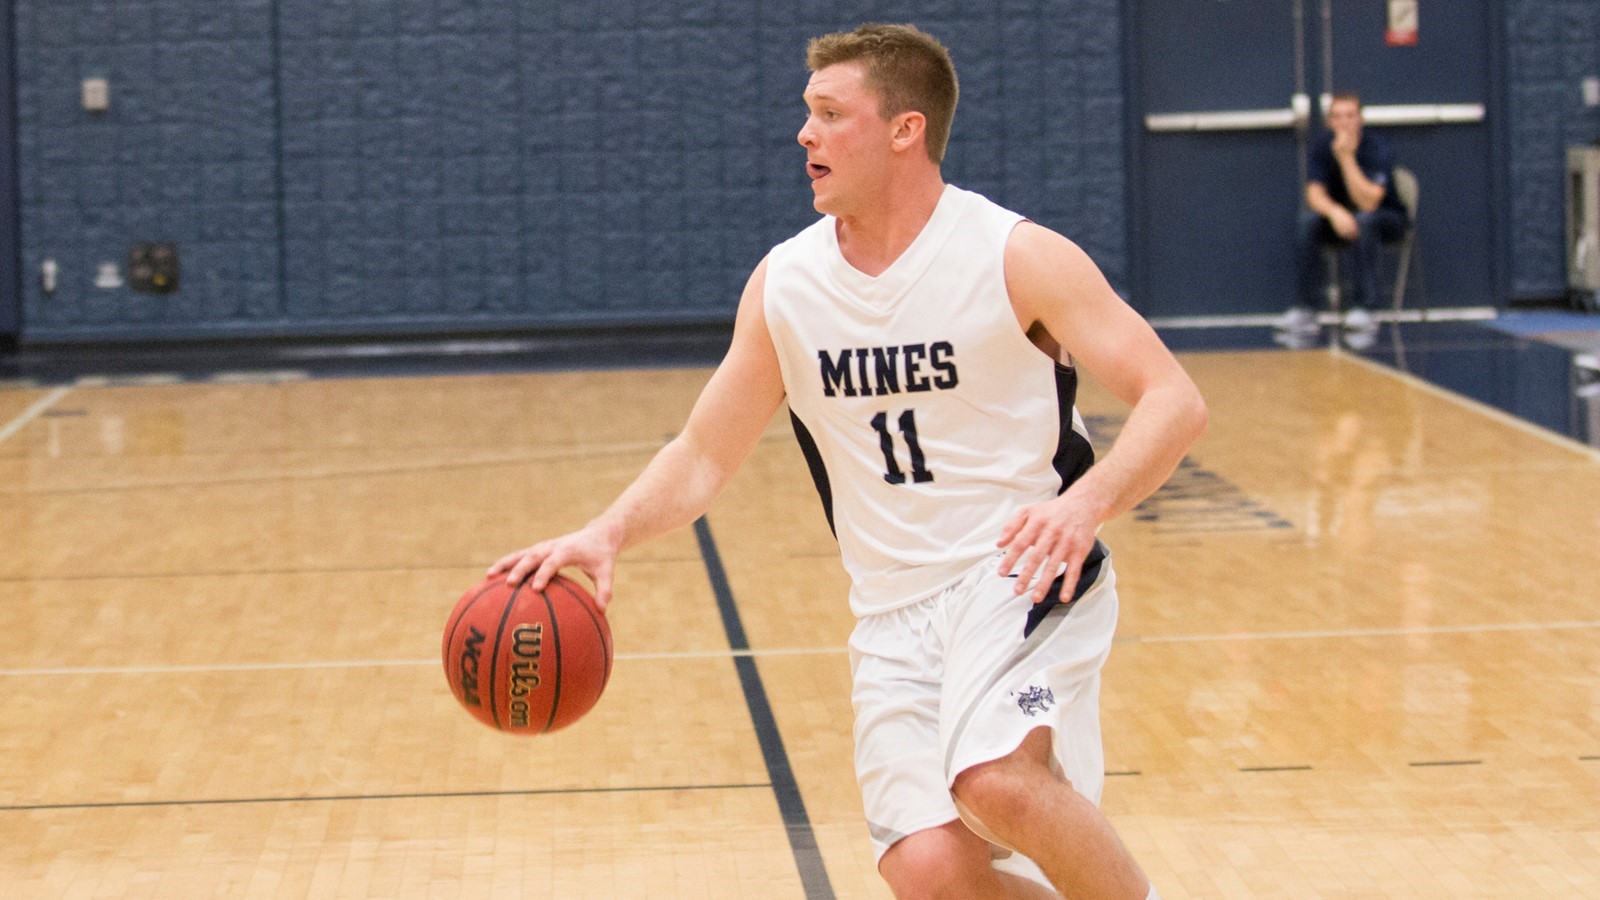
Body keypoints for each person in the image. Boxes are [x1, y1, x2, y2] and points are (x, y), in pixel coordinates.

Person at [490, 23, 1206, 899]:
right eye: (807, 114)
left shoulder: (1014, 255)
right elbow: (705, 452)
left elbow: (1174, 399)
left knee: (997, 782)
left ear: (905, 130)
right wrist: (607, 533)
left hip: (1017, 571)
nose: (806, 134)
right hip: (890, 610)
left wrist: (1081, 506)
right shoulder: (787, 285)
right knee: (932, 874)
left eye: (830, 114)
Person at [1278, 92, 1410, 341]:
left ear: (1360, 119)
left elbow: (1369, 202)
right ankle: (1304, 309)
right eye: (1337, 117)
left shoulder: (1376, 146)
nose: (1344, 123)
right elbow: (1314, 194)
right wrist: (1335, 212)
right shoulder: (1321, 145)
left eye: (1350, 116)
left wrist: (1346, 158)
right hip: (1341, 219)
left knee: (1364, 220)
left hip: (1385, 218)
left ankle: (1365, 308)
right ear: (1329, 122)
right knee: (1308, 222)